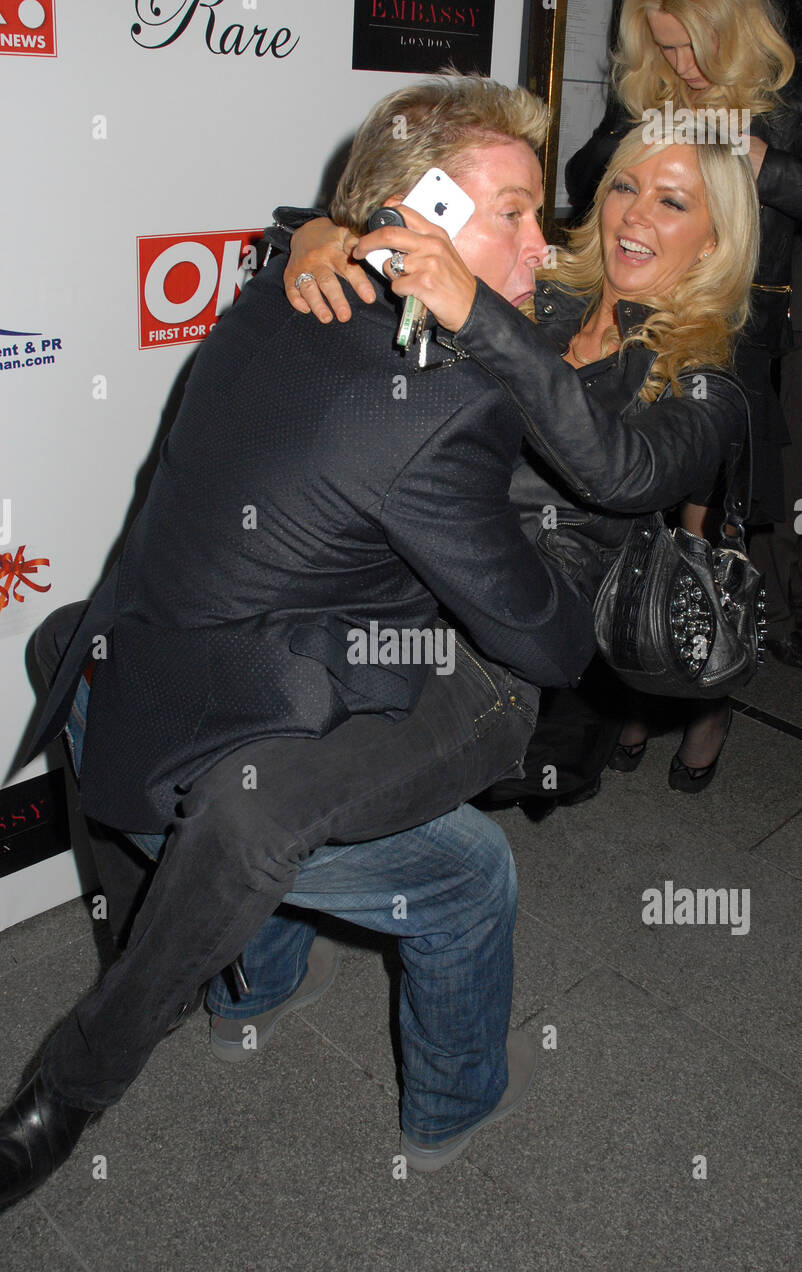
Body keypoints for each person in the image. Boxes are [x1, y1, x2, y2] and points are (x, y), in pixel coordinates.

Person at [0, 73, 600, 1206]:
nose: (549, 246)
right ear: (417, 220)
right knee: (461, 870)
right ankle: (442, 1096)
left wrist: (316, 231)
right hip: (279, 728)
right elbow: (550, 645)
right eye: (515, 213)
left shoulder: (278, 295)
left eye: (548, 212)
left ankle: (253, 987)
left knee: (287, 748)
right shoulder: (439, 399)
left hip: (173, 686)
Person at [261, 119, 757, 816]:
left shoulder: (705, 386)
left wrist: (477, 314)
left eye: (672, 202)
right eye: (624, 187)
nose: (634, 215)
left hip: (507, 649)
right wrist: (321, 237)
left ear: (713, 240)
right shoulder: (543, 286)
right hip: (404, 577)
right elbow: (368, 229)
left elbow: (623, 471)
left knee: (309, 803)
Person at [564, 0, 802, 781]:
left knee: (705, 538)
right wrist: (645, 136)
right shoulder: (654, 88)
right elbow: (583, 177)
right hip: (643, 320)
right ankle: (637, 688)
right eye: (666, 49)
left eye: (696, 48)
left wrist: (756, 159)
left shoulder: (783, 95)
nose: (684, 66)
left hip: (738, 329)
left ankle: (706, 700)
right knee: (639, 520)